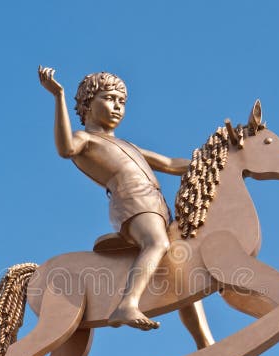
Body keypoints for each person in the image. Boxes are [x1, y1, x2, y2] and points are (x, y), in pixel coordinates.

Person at [38, 66, 188, 331]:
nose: (117, 106)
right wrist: (58, 96)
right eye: (109, 98)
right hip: (131, 199)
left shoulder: (129, 146)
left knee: (181, 269)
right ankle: (127, 304)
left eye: (122, 101)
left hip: (156, 203)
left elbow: (169, 163)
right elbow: (66, 148)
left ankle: (205, 342)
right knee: (157, 243)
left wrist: (214, 157)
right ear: (87, 104)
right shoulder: (84, 138)